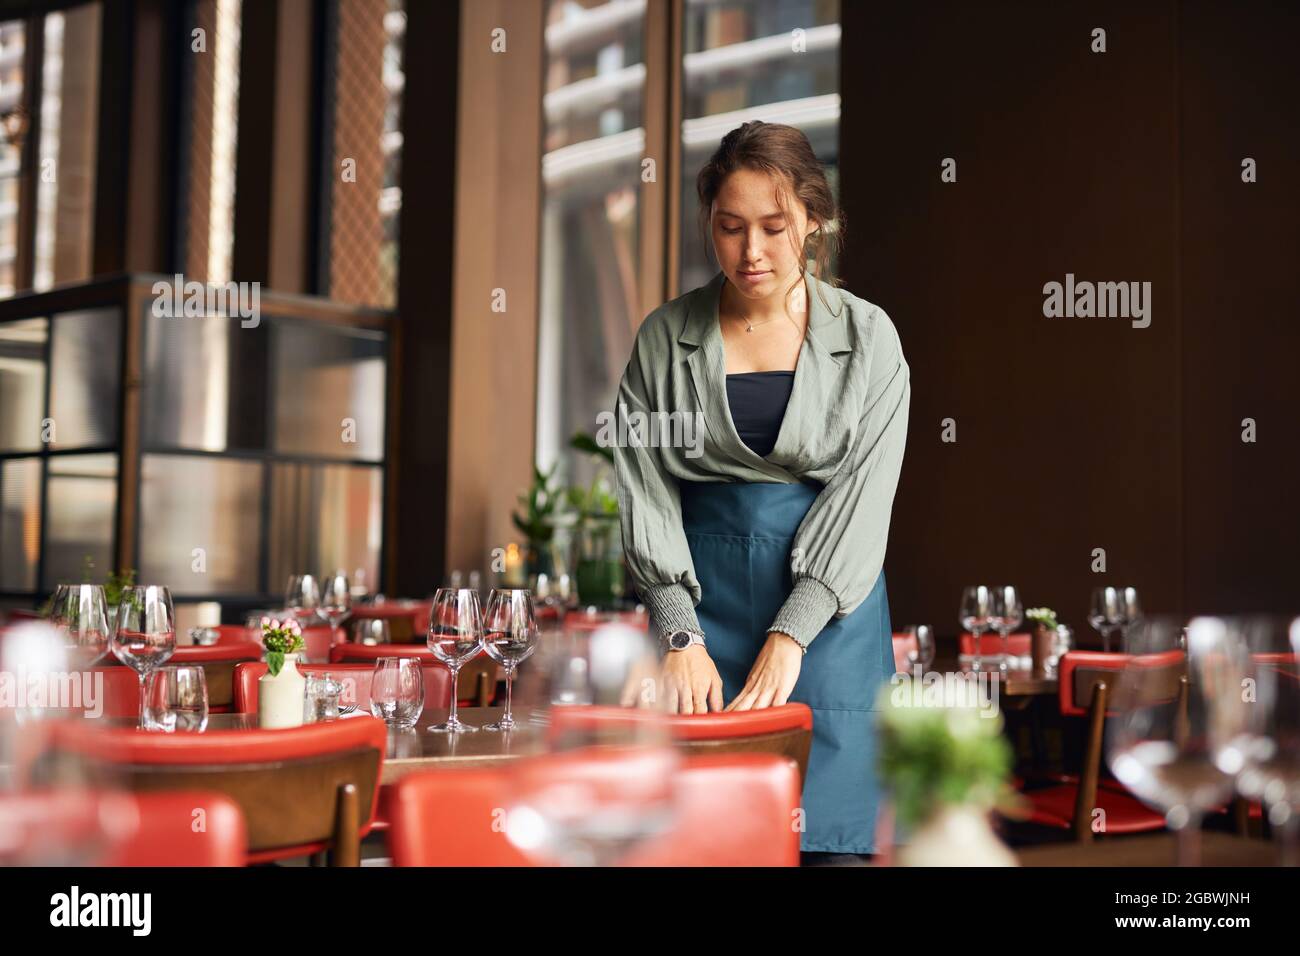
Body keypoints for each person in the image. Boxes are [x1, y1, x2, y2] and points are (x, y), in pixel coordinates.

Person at [611, 121, 911, 861]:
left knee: (838, 844)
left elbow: (863, 498)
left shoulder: (870, 340)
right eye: (731, 228)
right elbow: (644, 487)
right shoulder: (664, 337)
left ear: (813, 219)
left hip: (831, 627)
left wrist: (791, 634)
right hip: (702, 620)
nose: (752, 252)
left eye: (775, 228)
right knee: (707, 840)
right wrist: (679, 633)